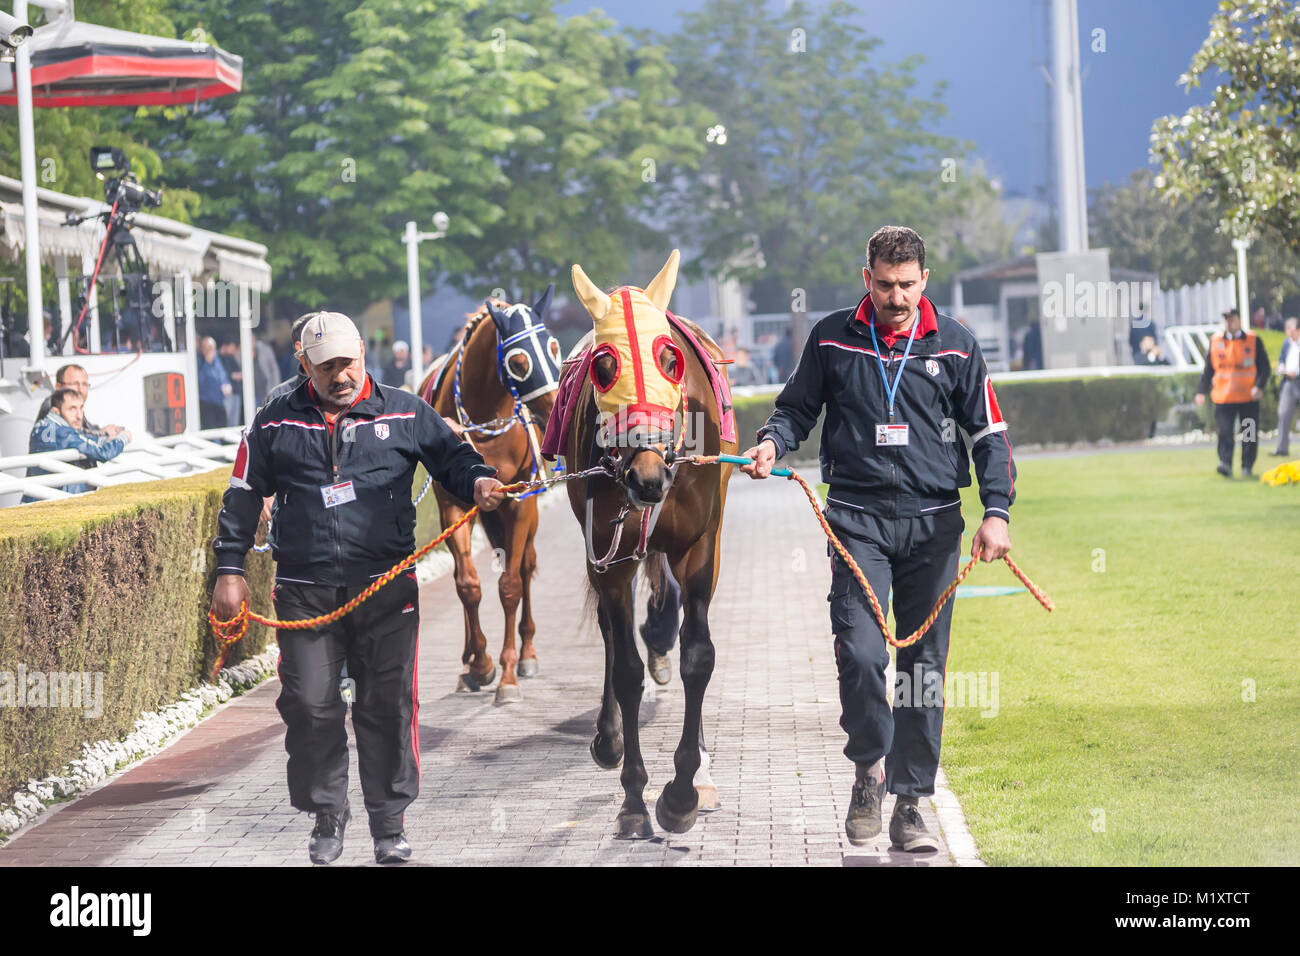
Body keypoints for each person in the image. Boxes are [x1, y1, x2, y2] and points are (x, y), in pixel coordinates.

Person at [740, 225, 1015, 853]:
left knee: (923, 670)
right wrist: (771, 443)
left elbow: (989, 436)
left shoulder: (957, 347)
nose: (897, 297)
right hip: (856, 520)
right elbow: (796, 409)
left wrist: (995, 511)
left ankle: (911, 803)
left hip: (935, 525)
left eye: (909, 286)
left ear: (925, 280)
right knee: (862, 652)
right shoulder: (833, 337)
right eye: (886, 285)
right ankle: (870, 768)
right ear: (868, 278)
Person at [210, 311, 506, 865]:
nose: (340, 375)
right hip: (305, 591)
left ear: (362, 354)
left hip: (386, 590)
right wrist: (229, 572)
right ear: (305, 365)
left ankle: (389, 825)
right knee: (309, 704)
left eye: (348, 362)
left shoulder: (405, 411)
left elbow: (453, 459)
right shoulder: (273, 422)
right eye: (326, 367)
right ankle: (327, 812)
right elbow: (243, 494)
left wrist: (480, 480)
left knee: (388, 705)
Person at [1195, 308, 1270, 477]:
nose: (1229, 322)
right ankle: (1225, 463)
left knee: (1249, 433)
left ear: (1239, 320)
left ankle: (1247, 465)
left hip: (1247, 396)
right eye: (1227, 319)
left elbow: (1264, 367)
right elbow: (1208, 369)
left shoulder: (1252, 340)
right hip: (1224, 396)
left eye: (1232, 319)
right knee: (1225, 431)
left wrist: (1259, 386)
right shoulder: (1216, 341)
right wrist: (1201, 391)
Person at [23, 387, 130, 501]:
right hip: (51, 502)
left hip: (37, 500)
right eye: (72, 409)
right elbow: (102, 452)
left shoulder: (46, 427)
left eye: (81, 408)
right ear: (55, 411)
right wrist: (124, 438)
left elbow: (83, 438)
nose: (79, 416)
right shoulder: (60, 432)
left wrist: (105, 437)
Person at [35, 364, 125, 439]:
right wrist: (104, 433)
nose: (80, 389)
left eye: (84, 384)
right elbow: (75, 435)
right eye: (75, 384)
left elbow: (86, 428)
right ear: (58, 387)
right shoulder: (52, 406)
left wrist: (107, 430)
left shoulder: (74, 406)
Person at [1272, 317, 1300, 457]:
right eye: (1287, 328)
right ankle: (1282, 449)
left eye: (1292, 328)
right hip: (1288, 382)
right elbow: (1282, 358)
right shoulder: (1286, 343)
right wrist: (1282, 368)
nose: (1289, 332)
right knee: (1283, 413)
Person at [198, 337, 233, 428]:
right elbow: (200, 380)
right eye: (208, 348)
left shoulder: (216, 360)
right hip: (206, 403)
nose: (211, 351)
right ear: (203, 349)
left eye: (213, 348)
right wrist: (207, 362)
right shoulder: (199, 361)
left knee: (223, 429)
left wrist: (227, 385)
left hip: (219, 401)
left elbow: (222, 375)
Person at [218, 340, 244, 426]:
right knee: (227, 420)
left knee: (234, 421)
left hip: (236, 392)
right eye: (232, 348)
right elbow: (224, 374)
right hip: (226, 395)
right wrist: (235, 376)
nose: (234, 350)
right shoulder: (218, 359)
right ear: (225, 346)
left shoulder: (232, 358)